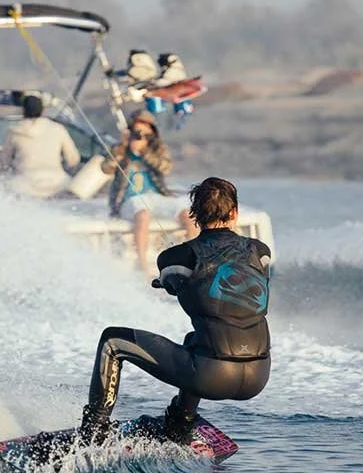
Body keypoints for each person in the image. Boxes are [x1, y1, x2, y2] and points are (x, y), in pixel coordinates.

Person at [79, 177, 272, 445]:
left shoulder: (176, 258)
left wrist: (167, 282)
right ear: (235, 213)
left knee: (113, 341)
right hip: (258, 375)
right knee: (195, 341)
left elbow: (170, 280)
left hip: (211, 376)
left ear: (194, 216)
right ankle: (181, 420)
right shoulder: (261, 252)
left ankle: (93, 433)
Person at [102, 110, 199, 275]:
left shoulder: (157, 149)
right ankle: (142, 263)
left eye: (145, 133)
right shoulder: (120, 149)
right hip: (129, 199)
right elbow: (106, 168)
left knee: (188, 214)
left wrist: (145, 152)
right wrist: (123, 147)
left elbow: (166, 168)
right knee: (143, 214)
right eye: (137, 132)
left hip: (156, 197)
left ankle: (196, 262)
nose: (140, 136)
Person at [0, 95, 81, 198]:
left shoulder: (14, 131)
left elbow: (3, 162)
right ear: (43, 110)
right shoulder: (58, 129)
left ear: (23, 111)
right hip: (58, 185)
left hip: (24, 186)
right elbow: (73, 159)